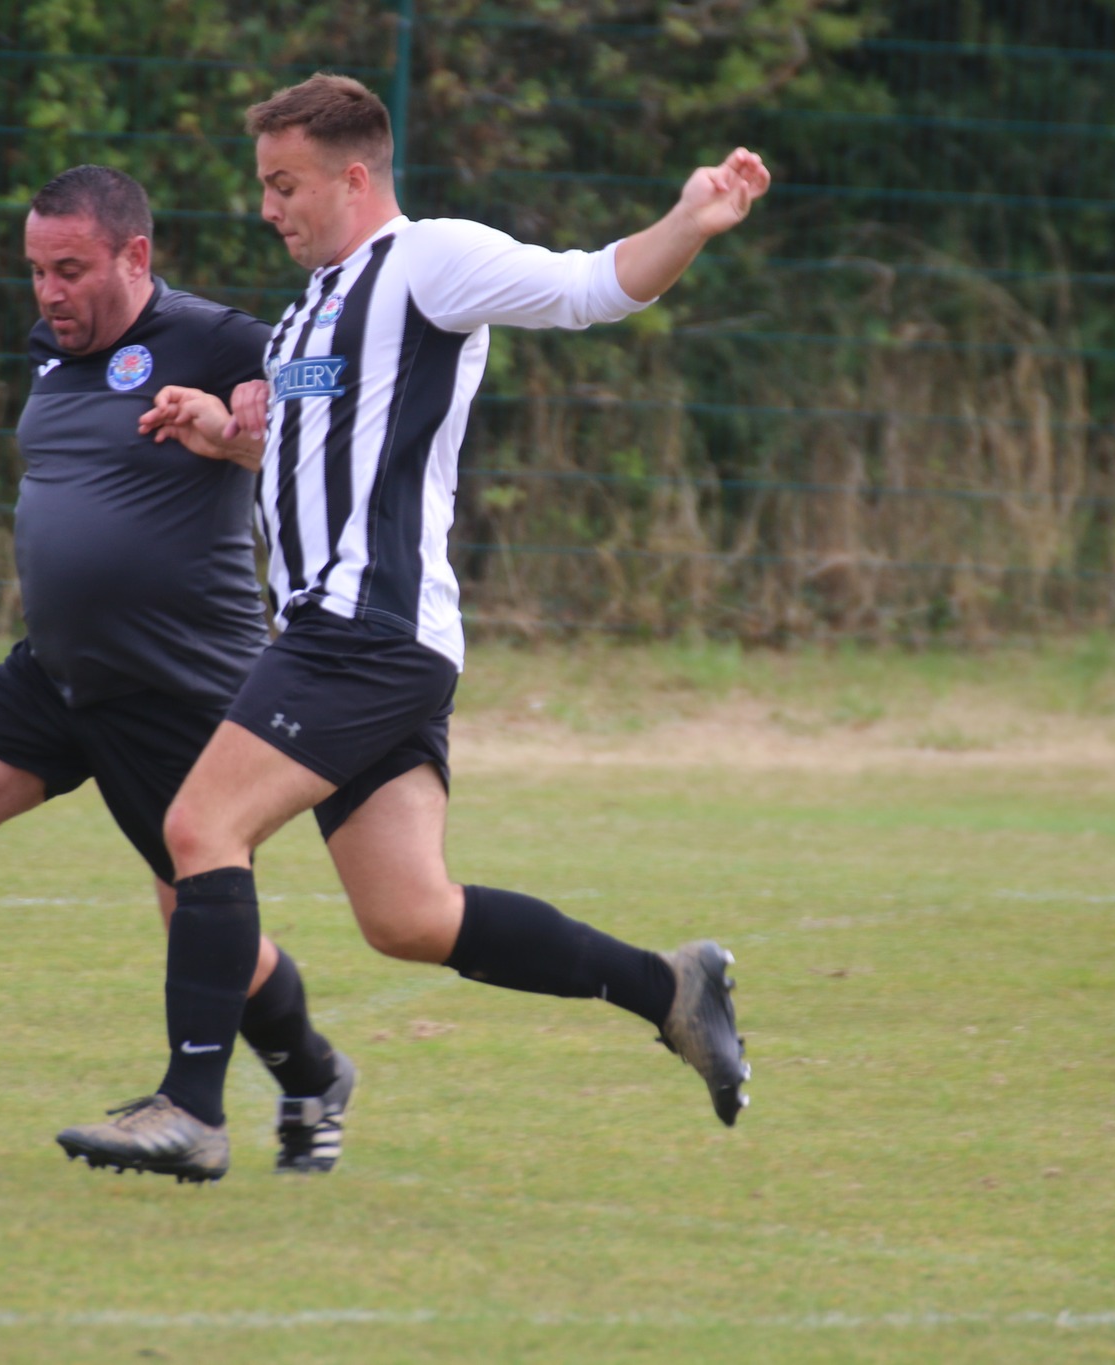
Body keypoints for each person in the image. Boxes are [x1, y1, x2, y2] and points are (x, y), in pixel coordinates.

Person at [55, 75, 771, 1184]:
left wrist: (689, 219)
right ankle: (666, 990)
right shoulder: (311, 303)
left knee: (197, 829)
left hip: (361, 632)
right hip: (372, 642)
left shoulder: (426, 260)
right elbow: (318, 452)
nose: (266, 208)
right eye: (261, 186)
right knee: (408, 915)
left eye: (284, 185)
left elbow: (590, 287)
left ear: (354, 177)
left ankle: (191, 1112)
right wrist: (222, 431)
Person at [0, 165, 357, 1176]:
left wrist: (258, 410)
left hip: (178, 683)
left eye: (70, 270)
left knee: (196, 921)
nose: (49, 292)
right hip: (56, 672)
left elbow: (321, 420)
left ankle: (312, 1074)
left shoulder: (221, 339)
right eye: (34, 271)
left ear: (135, 256)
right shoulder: (52, 350)